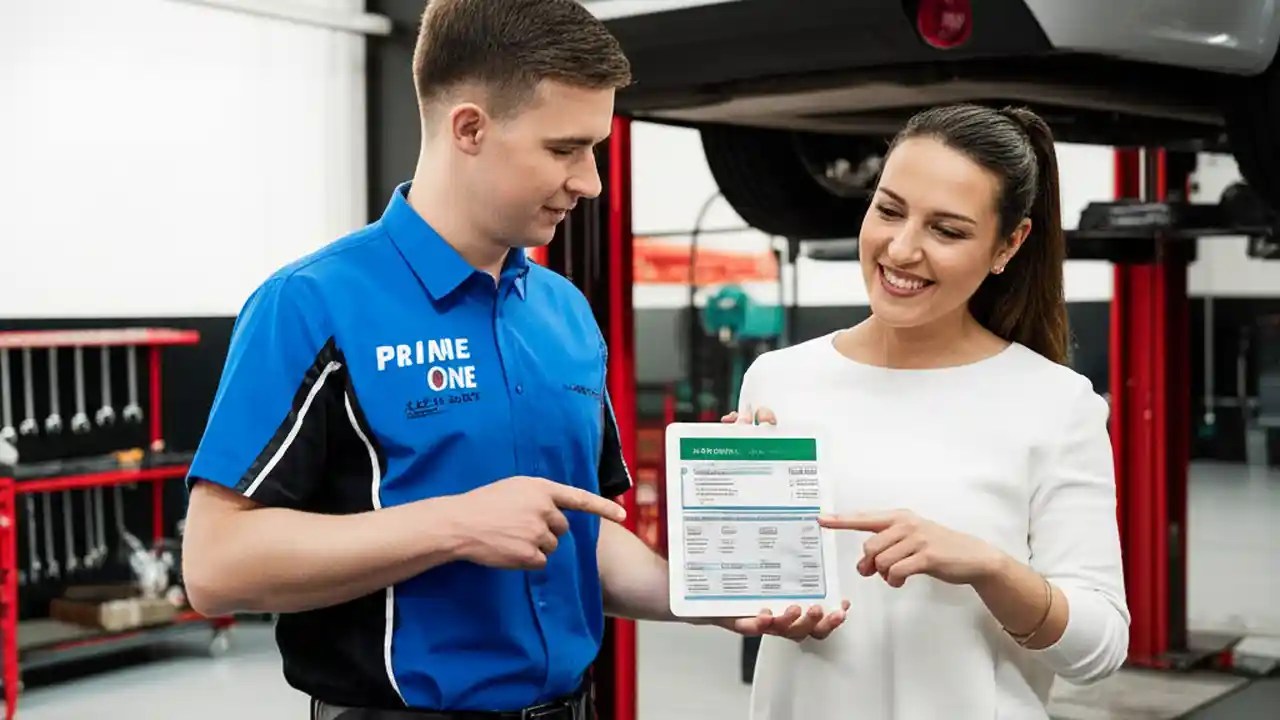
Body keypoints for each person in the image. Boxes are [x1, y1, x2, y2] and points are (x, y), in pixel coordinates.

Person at [180, 1, 845, 718]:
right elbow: (216, 566)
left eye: (594, 148)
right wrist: (456, 524)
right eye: (564, 149)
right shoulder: (311, 306)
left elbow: (582, 537)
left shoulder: (563, 315)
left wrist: (713, 595)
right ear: (470, 127)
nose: (589, 180)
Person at [727, 104, 1130, 720]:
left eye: (947, 230)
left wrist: (988, 567)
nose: (903, 248)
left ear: (1009, 244)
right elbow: (752, 590)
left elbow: (1098, 649)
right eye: (888, 210)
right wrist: (720, 522)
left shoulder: (1055, 403)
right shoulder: (778, 380)